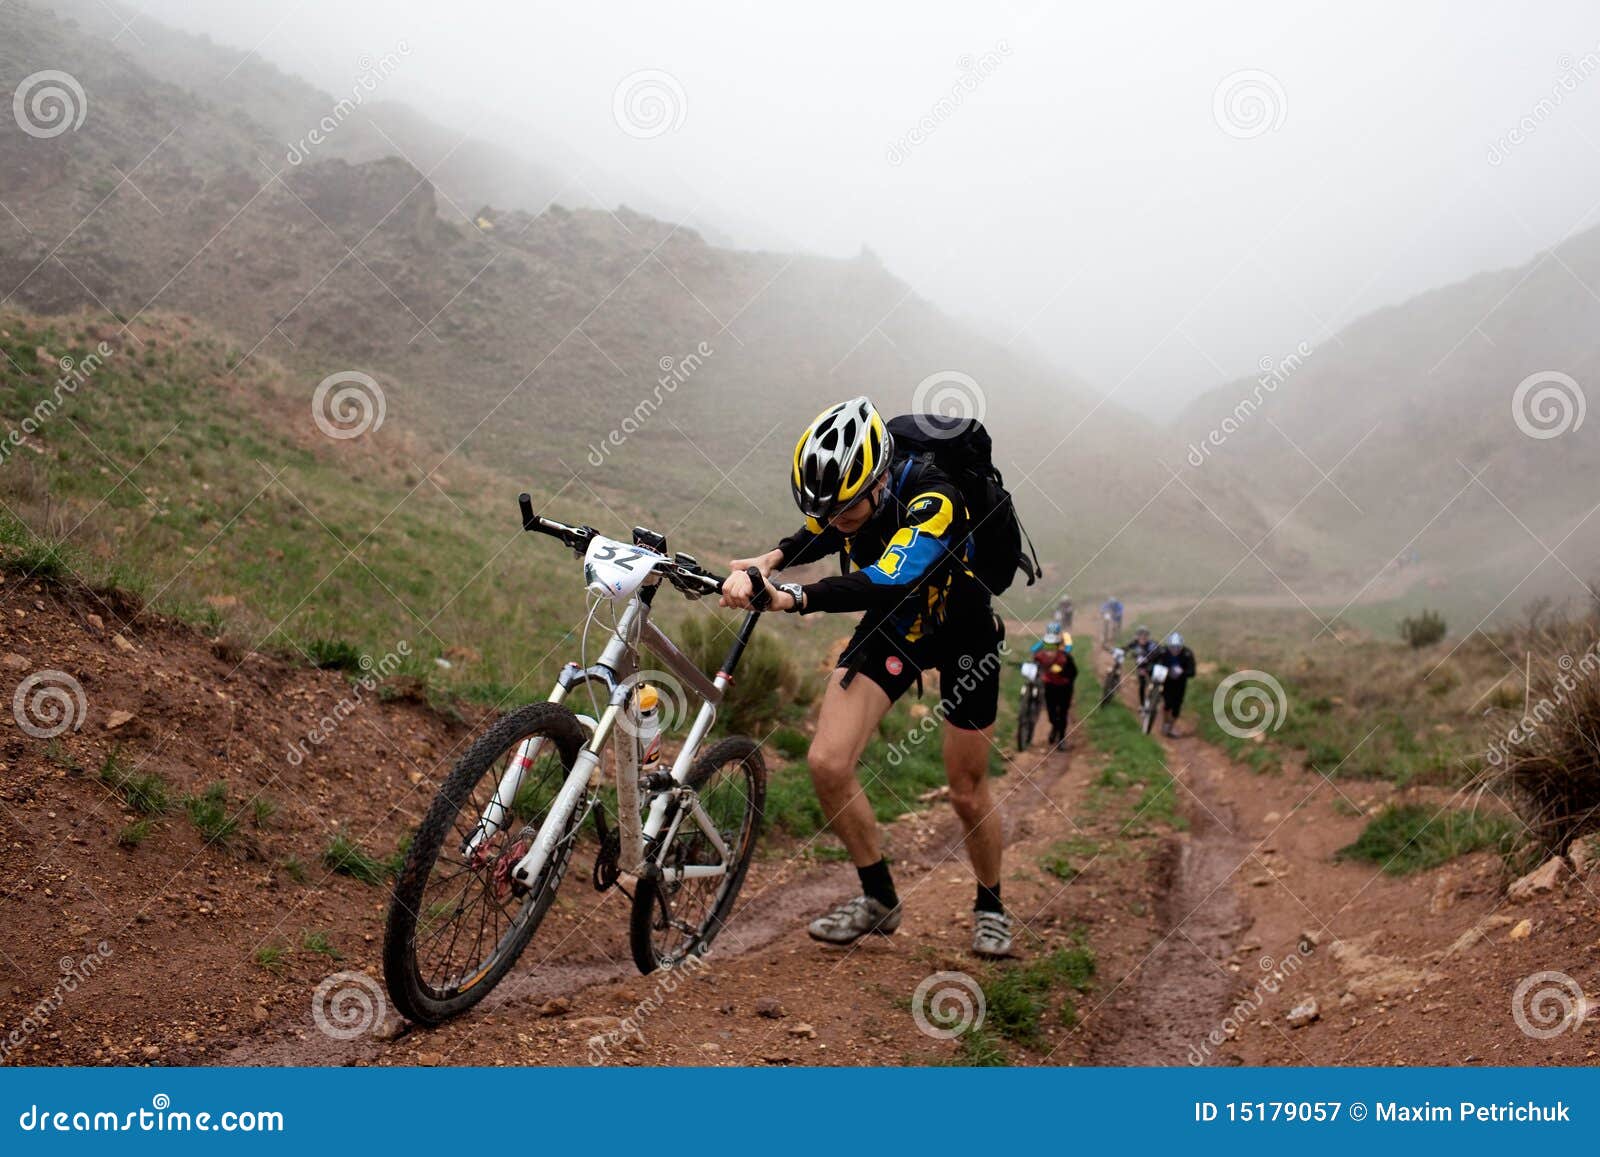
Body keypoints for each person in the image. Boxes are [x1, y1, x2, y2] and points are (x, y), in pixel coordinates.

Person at [719, 397, 1013, 958]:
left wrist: (791, 596)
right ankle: (879, 899)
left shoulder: (935, 499)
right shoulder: (848, 501)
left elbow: (886, 579)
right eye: (827, 509)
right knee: (827, 763)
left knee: (966, 791)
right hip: (897, 629)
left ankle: (991, 906)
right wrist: (770, 558)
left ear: (880, 480)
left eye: (847, 509)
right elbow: (822, 530)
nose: (837, 520)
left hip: (964, 636)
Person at [1032, 628, 1077, 748]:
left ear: (1058, 648)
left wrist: (1062, 672)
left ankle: (1061, 738)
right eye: (1046, 648)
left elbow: (1074, 673)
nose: (1049, 652)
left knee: (1062, 713)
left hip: (1064, 688)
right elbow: (1034, 662)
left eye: (1052, 648)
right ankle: (1055, 728)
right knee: (1051, 713)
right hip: (1050, 687)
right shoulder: (1040, 656)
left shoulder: (1065, 658)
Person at [1152, 632, 1196, 737]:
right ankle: (1165, 724)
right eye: (1172, 647)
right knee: (1167, 703)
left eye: (1178, 647)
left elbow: (1192, 672)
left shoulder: (1187, 654)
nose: (1175, 650)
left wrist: (1182, 673)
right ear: (1168, 646)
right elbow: (1152, 662)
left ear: (1181, 646)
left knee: (1177, 707)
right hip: (1166, 680)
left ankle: (1170, 727)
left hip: (1180, 683)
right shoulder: (1162, 651)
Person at [1124, 625, 1157, 707]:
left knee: (1154, 683)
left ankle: (1153, 699)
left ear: (1148, 636)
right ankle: (1142, 704)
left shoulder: (1152, 644)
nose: (1143, 637)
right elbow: (1126, 648)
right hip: (1141, 666)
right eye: (1140, 635)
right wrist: (1121, 651)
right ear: (1137, 636)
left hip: (1151, 665)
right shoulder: (1134, 643)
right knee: (1142, 684)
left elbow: (1157, 652)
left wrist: (1147, 658)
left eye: (1145, 635)